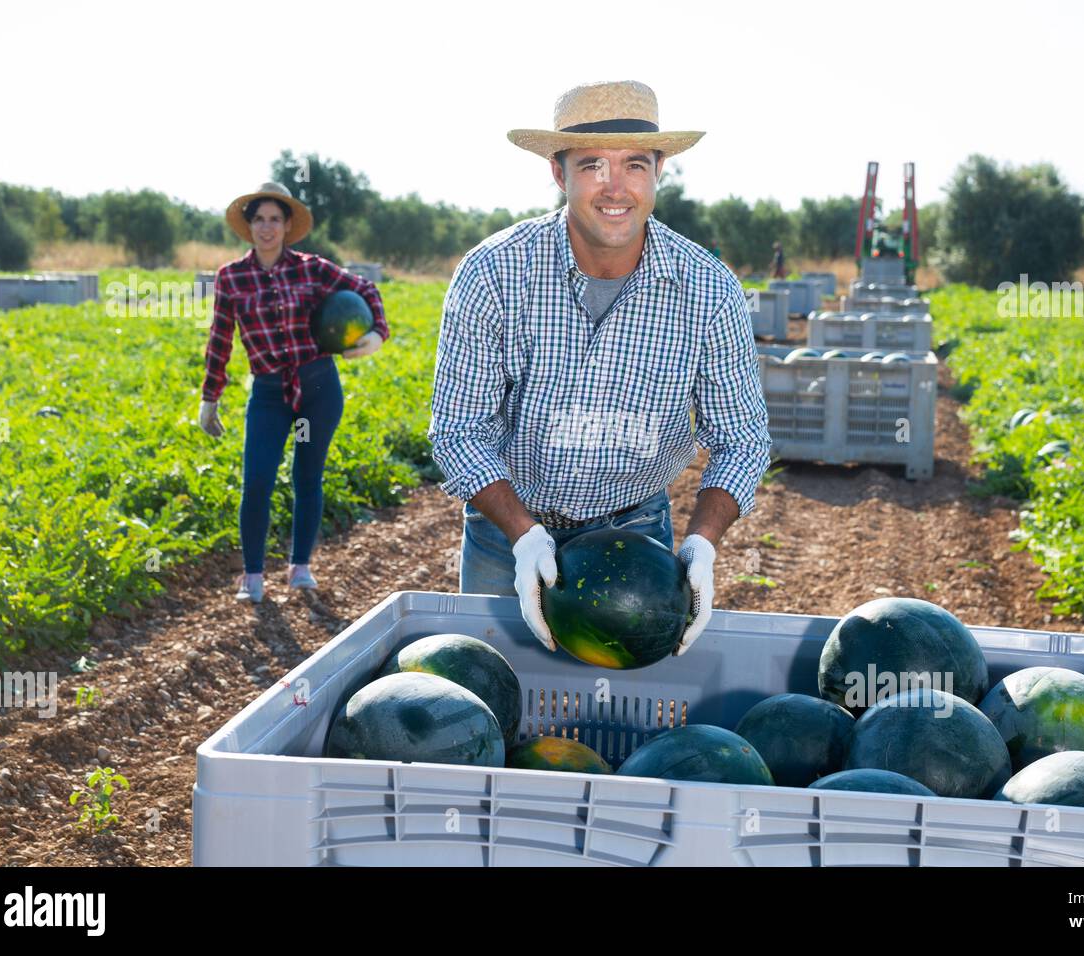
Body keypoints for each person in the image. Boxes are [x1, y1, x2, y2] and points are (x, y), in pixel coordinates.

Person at [429, 80, 773, 658]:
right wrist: (523, 534)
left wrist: (703, 543)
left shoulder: (709, 290)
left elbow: (742, 440)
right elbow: (459, 430)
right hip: (507, 532)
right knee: (496, 697)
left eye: (635, 164)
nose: (616, 187)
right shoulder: (492, 274)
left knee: (613, 716)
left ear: (659, 170)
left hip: (634, 537)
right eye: (592, 165)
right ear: (559, 174)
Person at [196, 181, 389, 603]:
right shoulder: (232, 277)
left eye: (275, 219)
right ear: (249, 227)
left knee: (307, 476)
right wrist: (210, 398)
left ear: (286, 226)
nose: (267, 227)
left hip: (317, 386)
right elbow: (220, 340)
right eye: (259, 219)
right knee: (258, 480)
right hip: (268, 393)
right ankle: (252, 576)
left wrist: (376, 333)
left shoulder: (312, 268)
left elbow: (366, 290)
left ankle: (300, 567)